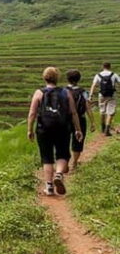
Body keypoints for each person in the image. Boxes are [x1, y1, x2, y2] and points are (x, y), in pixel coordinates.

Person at [27, 67, 83, 196]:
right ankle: (58, 174)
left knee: (47, 157)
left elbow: (32, 113)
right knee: (63, 153)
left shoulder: (39, 93)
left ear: (44, 77)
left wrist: (30, 130)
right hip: (63, 128)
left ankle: (49, 186)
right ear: (57, 78)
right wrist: (78, 129)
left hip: (44, 128)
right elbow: (73, 112)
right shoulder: (66, 92)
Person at [66, 70, 96, 172]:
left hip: (65, 119)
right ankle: (74, 164)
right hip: (80, 118)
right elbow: (88, 107)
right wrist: (92, 122)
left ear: (67, 79)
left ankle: (64, 163)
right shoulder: (83, 92)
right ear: (79, 79)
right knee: (78, 141)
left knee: (64, 141)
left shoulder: (62, 91)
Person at [89, 62, 120, 136]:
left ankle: (103, 128)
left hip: (101, 95)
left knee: (102, 111)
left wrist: (91, 95)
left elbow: (93, 85)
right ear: (110, 67)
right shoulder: (114, 75)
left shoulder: (98, 75)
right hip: (111, 95)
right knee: (110, 112)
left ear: (103, 67)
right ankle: (107, 129)